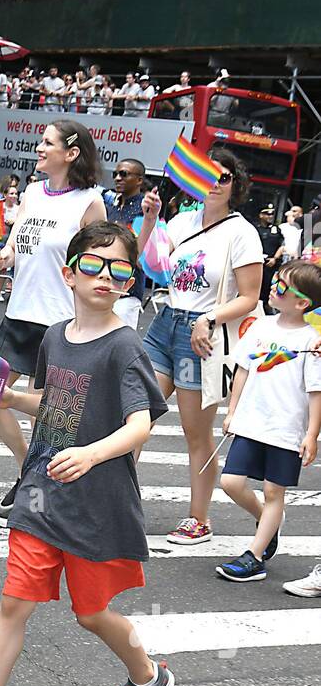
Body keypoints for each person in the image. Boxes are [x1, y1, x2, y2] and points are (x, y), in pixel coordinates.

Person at [0, 221, 172, 686]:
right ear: (69, 273)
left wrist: (90, 453)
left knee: (91, 613)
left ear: (131, 281)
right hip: (41, 496)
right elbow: (56, 408)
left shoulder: (125, 347)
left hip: (97, 502)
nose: (105, 277)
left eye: (120, 270)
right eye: (93, 264)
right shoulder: (54, 337)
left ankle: (147, 674)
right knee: (13, 602)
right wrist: (3, 396)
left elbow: (140, 425)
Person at [0, 120, 107, 527]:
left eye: (47, 143)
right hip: (18, 315)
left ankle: (40, 498)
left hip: (58, 321)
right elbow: (17, 244)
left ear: (71, 154)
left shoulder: (89, 201)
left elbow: (100, 264)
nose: (39, 148)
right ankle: (27, 471)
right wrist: (3, 257)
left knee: (45, 416)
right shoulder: (33, 193)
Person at [137, 146, 263, 544]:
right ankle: (115, 503)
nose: (214, 182)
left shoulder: (242, 232)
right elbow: (152, 263)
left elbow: (249, 297)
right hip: (165, 322)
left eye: (224, 177)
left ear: (235, 186)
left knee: (196, 432)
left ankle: (199, 518)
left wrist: (209, 318)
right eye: (210, 174)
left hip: (203, 335)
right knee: (137, 416)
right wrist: (151, 219)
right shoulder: (183, 221)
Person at [215, 260, 321, 582]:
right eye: (276, 280)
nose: (274, 287)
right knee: (230, 482)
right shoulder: (260, 326)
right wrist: (232, 411)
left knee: (275, 492)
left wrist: (312, 435)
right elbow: (242, 370)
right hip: (250, 421)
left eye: (282, 286)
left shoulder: (310, 342)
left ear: (302, 303)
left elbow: (316, 391)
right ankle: (268, 521)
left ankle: (255, 557)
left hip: (286, 428)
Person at [106, 159, 148, 328]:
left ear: (139, 180)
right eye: (115, 174)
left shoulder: (146, 209)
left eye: (123, 174)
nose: (117, 178)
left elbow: (144, 252)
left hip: (127, 292)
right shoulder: (111, 207)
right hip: (105, 285)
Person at [255, 204, 285, 311]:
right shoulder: (255, 229)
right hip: (257, 263)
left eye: (272, 214)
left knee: (269, 287)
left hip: (271, 265)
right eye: (267, 213)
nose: (270, 216)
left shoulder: (276, 229)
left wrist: (275, 258)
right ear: (261, 215)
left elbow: (282, 245)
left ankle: (267, 308)